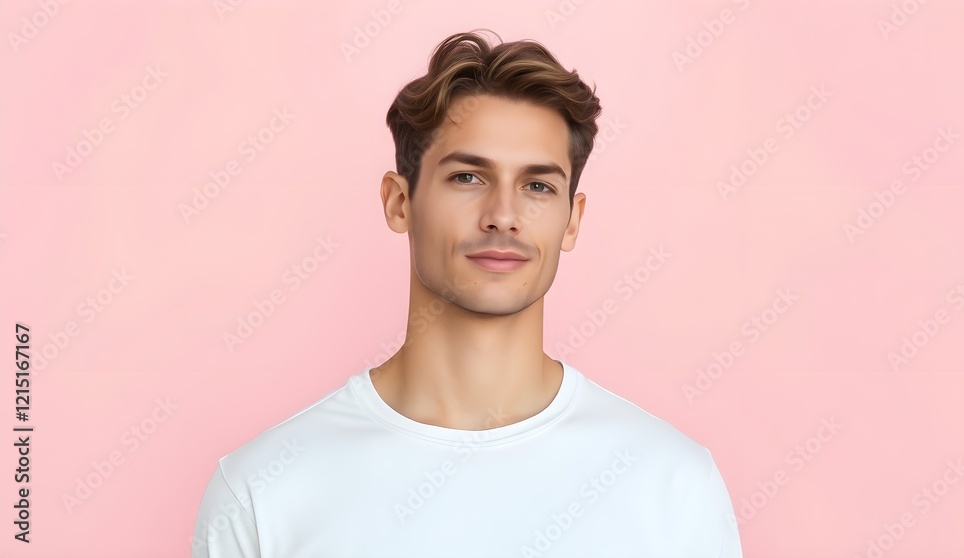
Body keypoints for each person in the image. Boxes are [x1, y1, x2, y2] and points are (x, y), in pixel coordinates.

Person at [192, 28, 743, 558]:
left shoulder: (673, 486)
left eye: (537, 186)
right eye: (468, 178)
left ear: (571, 221)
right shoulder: (261, 492)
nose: (503, 216)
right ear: (398, 203)